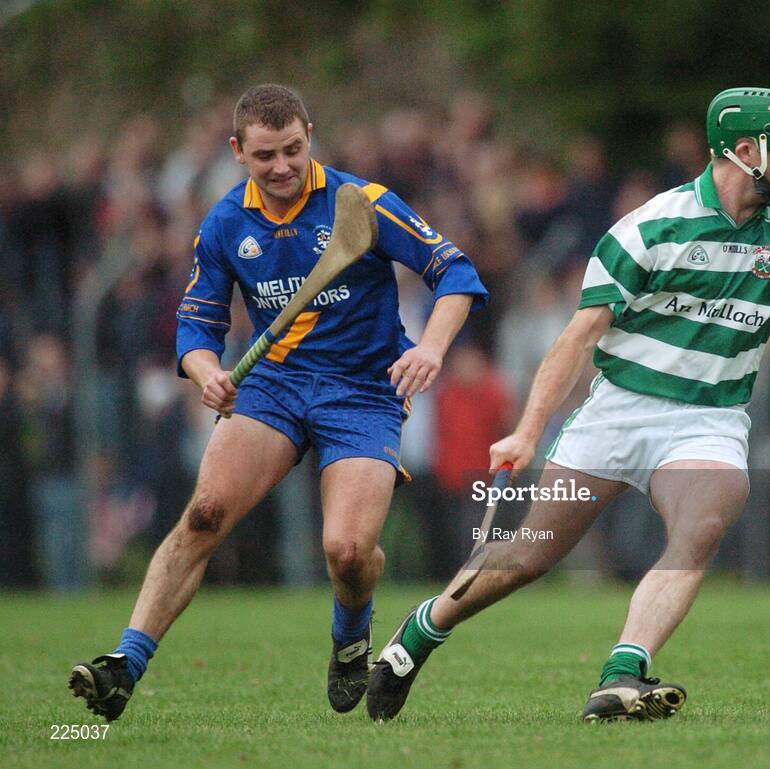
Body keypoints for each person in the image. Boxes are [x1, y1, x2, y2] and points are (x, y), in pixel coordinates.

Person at [365, 87, 770, 723]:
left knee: (700, 527)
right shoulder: (651, 226)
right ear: (743, 149)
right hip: (617, 413)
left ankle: (623, 673)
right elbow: (577, 339)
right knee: (524, 558)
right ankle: (423, 631)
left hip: (708, 422)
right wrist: (527, 431)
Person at [69, 84, 488, 721]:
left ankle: (351, 634)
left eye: (293, 149)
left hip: (364, 390)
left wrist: (429, 346)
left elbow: (454, 272)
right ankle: (125, 664)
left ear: (309, 135)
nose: (283, 166)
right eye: (266, 155)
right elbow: (196, 324)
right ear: (238, 151)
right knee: (205, 513)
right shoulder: (225, 222)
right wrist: (206, 371)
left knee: (348, 551)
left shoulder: (361, 202)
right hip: (275, 384)